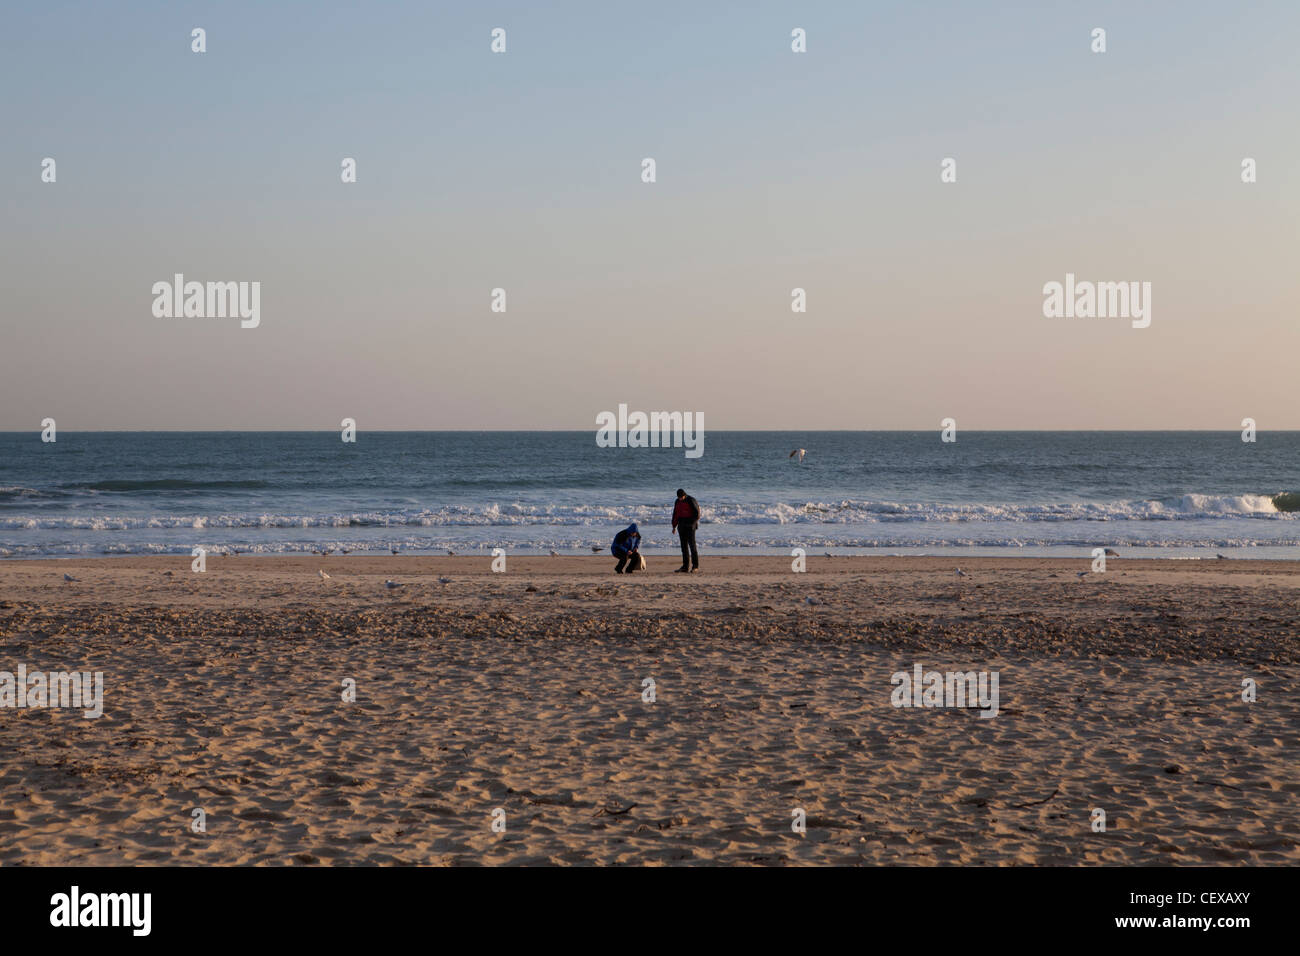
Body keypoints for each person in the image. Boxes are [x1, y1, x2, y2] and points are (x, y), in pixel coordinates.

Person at [671, 488, 701, 572]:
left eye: (681, 497)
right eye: (679, 497)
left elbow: (697, 514)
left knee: (692, 546)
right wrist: (674, 526)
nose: (680, 499)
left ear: (684, 495)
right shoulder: (677, 501)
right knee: (683, 547)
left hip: (690, 526)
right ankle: (685, 566)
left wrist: (692, 524)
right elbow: (675, 514)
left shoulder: (691, 500)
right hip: (681, 526)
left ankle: (695, 566)